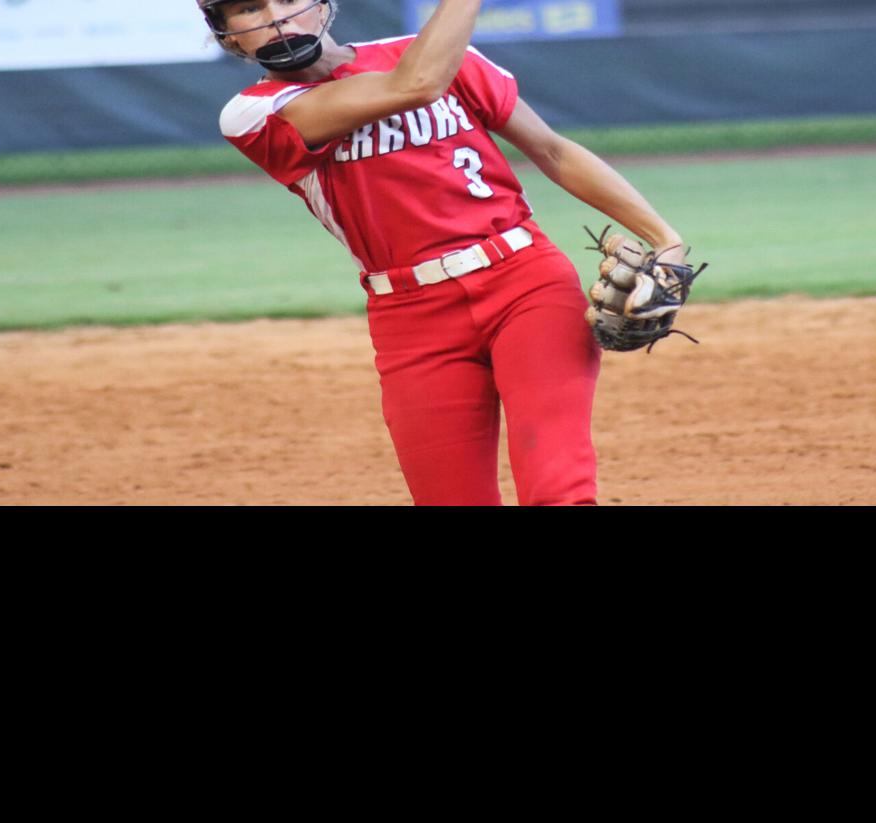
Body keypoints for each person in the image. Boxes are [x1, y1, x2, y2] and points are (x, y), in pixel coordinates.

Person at [198, 0, 687, 505]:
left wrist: (664, 238)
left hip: (526, 282)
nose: (276, 16)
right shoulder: (253, 113)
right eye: (249, 8)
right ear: (227, 36)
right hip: (411, 318)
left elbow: (552, 149)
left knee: (557, 488)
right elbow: (415, 85)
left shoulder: (427, 54)